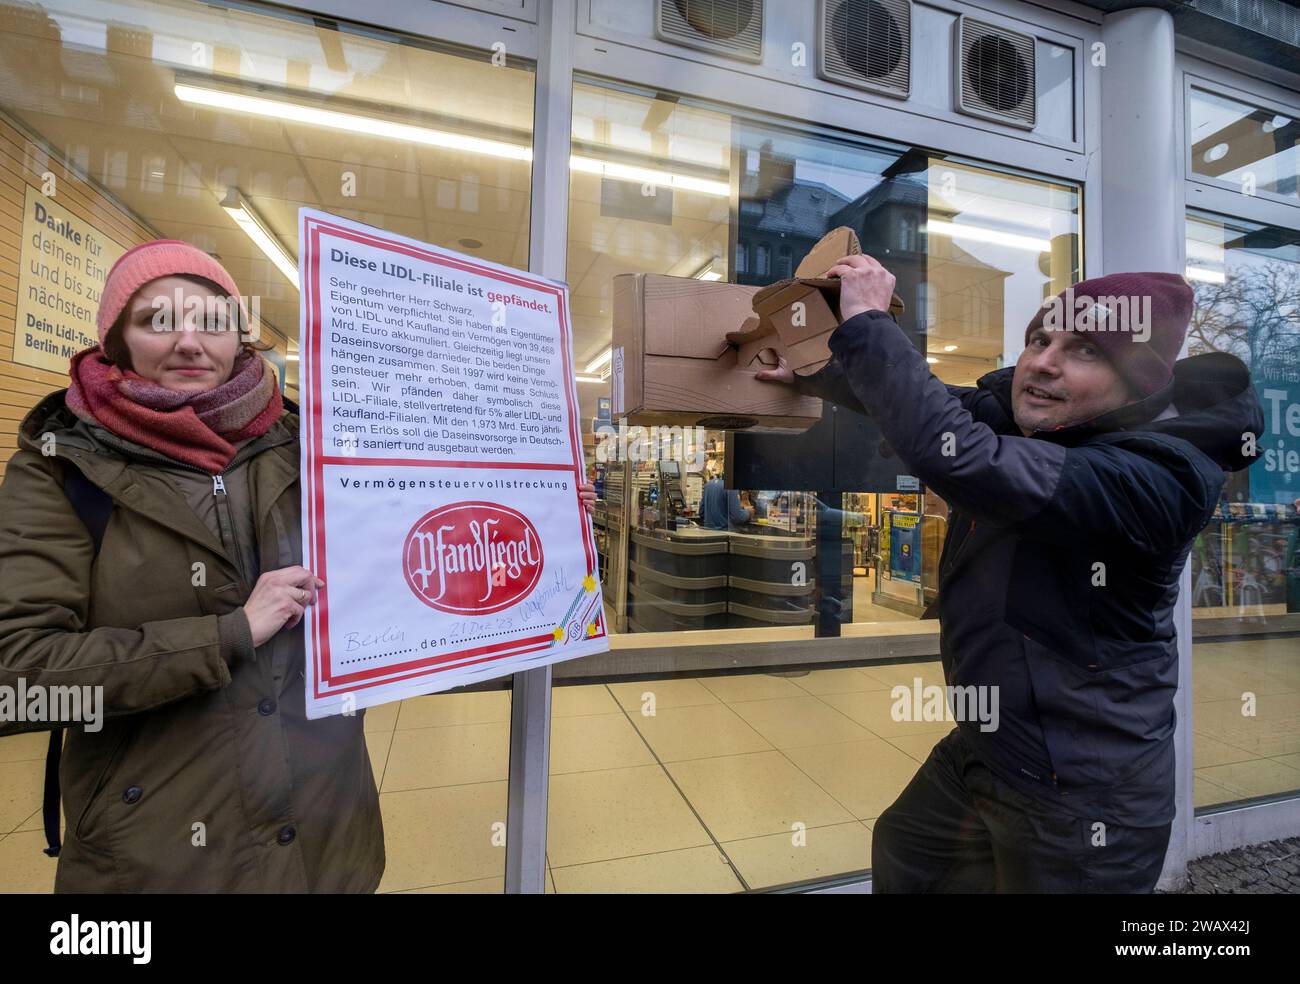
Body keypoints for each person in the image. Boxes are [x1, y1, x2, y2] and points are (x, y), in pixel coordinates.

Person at [0, 240, 598, 892]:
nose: (190, 342)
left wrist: (545, 508)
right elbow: (17, 675)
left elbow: (410, 542)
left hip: (324, 830)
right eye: (157, 321)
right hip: (159, 854)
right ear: (115, 340)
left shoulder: (311, 447)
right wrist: (227, 633)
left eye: (213, 320)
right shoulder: (62, 468)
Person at [757, 255, 1263, 893]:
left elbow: (965, 456)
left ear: (1137, 385)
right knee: (910, 852)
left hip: (1083, 790)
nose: (1042, 362)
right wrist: (810, 378)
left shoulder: (1159, 474)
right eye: (1038, 339)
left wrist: (868, 324)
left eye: (1082, 350)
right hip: (995, 743)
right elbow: (941, 401)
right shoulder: (1048, 424)